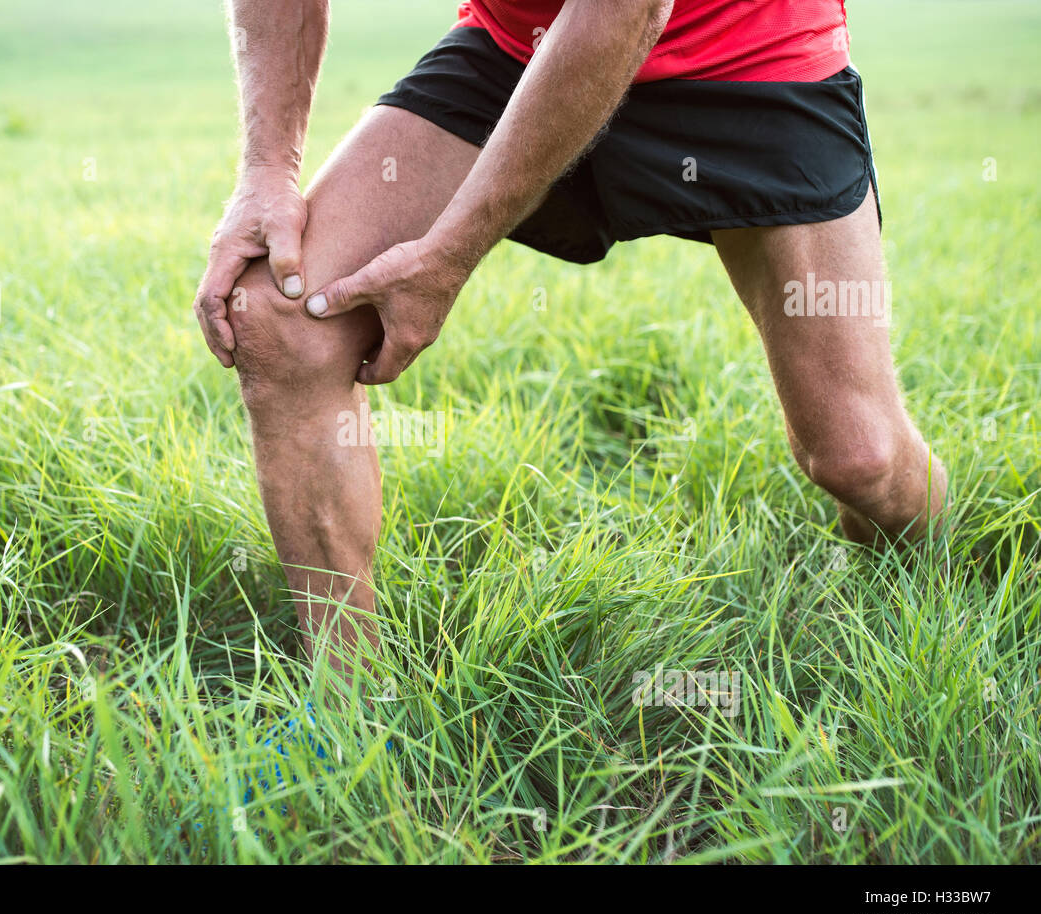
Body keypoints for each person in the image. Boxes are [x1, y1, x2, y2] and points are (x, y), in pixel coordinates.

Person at [192, 0, 948, 679]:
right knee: (281, 318)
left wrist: (448, 256)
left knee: (862, 459)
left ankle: (921, 621)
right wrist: (265, 169)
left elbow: (626, 10)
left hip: (751, 57)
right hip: (526, 47)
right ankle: (348, 708)